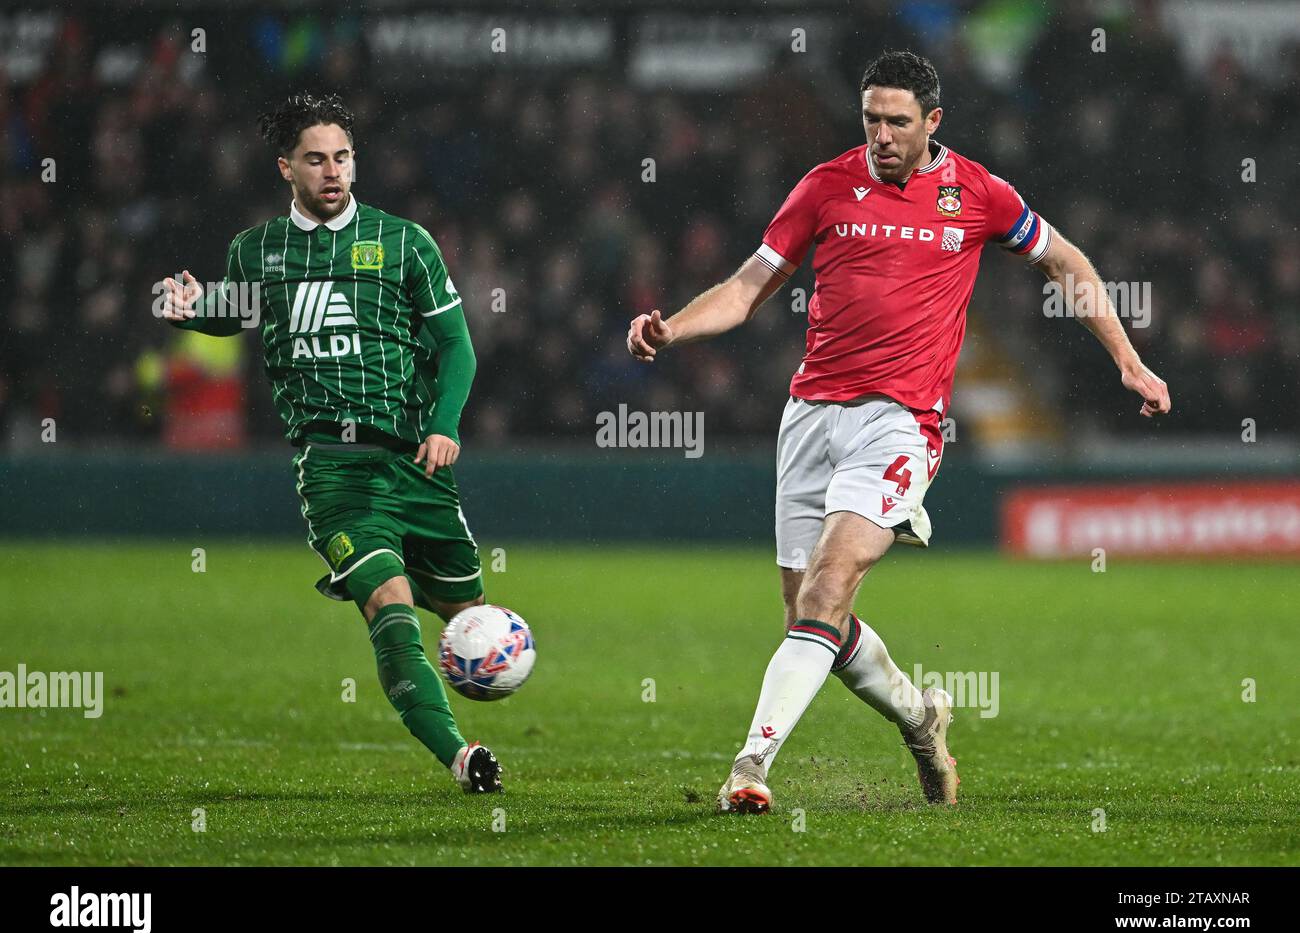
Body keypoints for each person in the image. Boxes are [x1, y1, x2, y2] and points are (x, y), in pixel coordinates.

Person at [626, 51, 1171, 813]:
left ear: (933, 122)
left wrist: (1128, 360)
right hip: (811, 416)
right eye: (871, 119)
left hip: (902, 424)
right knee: (810, 614)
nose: (882, 135)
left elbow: (1066, 262)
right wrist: (671, 327)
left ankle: (751, 764)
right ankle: (920, 718)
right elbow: (750, 287)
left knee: (830, 584)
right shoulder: (825, 186)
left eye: (898, 122)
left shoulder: (978, 193)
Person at [158, 93, 502, 794]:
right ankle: (462, 758)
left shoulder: (405, 243)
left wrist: (444, 422)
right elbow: (239, 311)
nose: (332, 170)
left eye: (341, 156)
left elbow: (456, 346)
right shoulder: (256, 250)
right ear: (286, 167)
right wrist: (193, 310)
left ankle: (470, 687)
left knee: (473, 624)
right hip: (334, 472)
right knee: (388, 605)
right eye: (315, 159)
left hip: (414, 460)